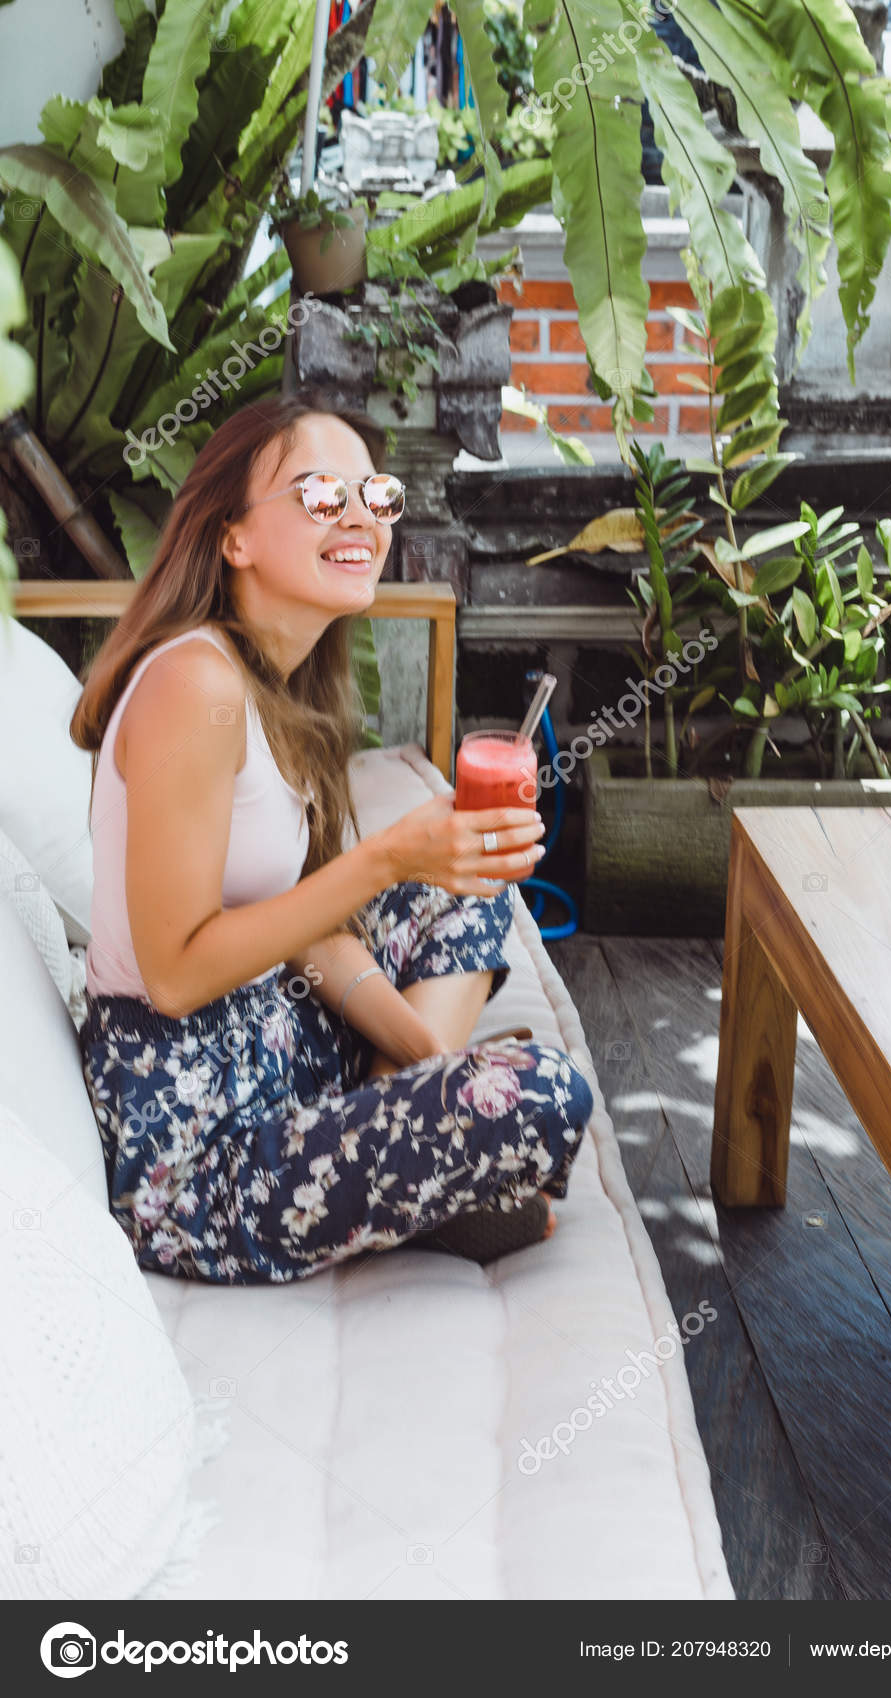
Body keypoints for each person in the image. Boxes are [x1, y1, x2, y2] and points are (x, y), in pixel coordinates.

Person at [72, 390, 593, 1282]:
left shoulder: (280, 684)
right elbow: (173, 975)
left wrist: (432, 1062)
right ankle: (411, 1163)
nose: (361, 517)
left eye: (376, 496)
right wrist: (386, 856)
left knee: (463, 890)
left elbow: (307, 926)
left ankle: (397, 1129)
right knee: (546, 1094)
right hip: (194, 1147)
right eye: (320, 496)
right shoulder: (194, 687)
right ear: (233, 537)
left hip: (280, 1039)